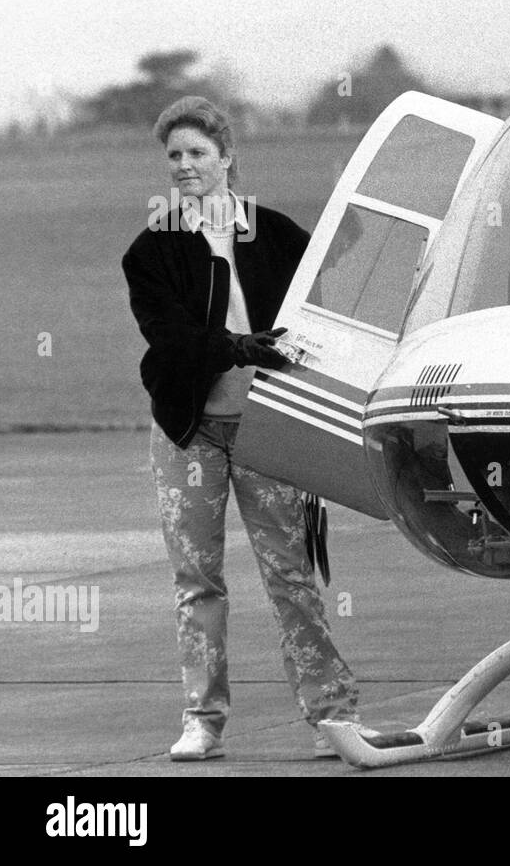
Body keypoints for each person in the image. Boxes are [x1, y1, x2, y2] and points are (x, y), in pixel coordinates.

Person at [122, 96, 370, 761]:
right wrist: (238, 347)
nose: (183, 166)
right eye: (173, 155)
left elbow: (323, 283)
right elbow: (169, 341)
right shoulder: (151, 251)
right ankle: (203, 718)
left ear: (227, 157)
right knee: (196, 578)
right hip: (188, 430)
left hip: (267, 426)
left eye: (197, 153)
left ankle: (331, 715)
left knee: (291, 575)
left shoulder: (274, 232)